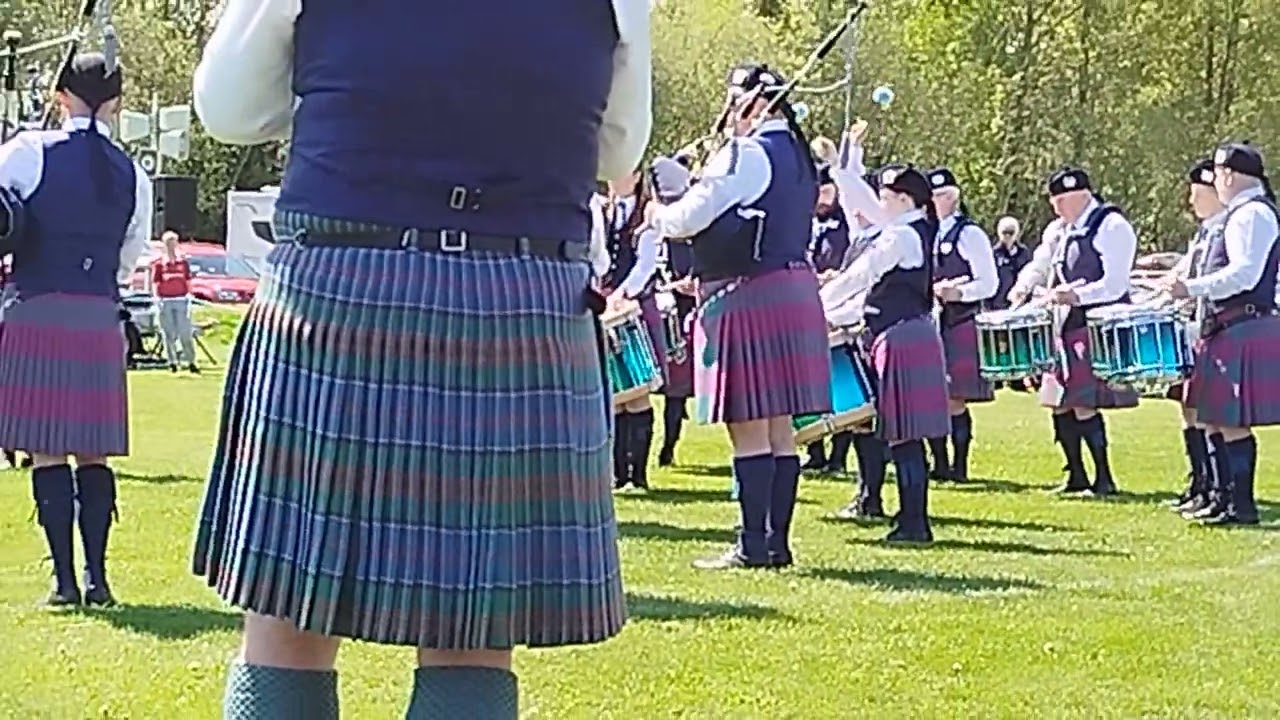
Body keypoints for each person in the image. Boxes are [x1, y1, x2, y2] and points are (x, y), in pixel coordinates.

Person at [191, 0, 650, 716]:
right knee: (472, 629)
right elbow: (618, 150)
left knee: (288, 615)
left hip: (341, 291)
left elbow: (228, 109)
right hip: (519, 302)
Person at [647, 63, 830, 569]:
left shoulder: (745, 152)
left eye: (733, 101)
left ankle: (752, 545)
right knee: (779, 429)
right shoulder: (797, 156)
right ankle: (776, 543)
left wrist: (661, 209)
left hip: (747, 290)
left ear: (751, 104)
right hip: (793, 287)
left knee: (748, 424)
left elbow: (692, 217)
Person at [0, 53, 152, 607]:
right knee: (94, 452)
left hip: (37, 305)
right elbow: (127, 258)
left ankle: (64, 581)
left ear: (61, 94)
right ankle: (99, 579)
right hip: (96, 314)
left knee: (45, 449)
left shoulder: (24, 152)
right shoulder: (134, 173)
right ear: (115, 101)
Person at [821, 120, 951, 543]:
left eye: (886, 196)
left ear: (902, 199)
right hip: (900, 333)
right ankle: (910, 518)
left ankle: (915, 522)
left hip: (902, 337)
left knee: (905, 433)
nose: (880, 202)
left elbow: (863, 273)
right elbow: (858, 198)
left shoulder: (902, 236)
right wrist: (846, 160)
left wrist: (819, 306)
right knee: (899, 432)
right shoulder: (908, 227)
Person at [1008, 167, 1138, 498]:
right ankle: (1076, 475)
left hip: (1097, 324)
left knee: (1084, 403)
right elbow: (1040, 262)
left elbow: (1116, 283)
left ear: (1082, 194)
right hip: (1065, 323)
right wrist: (1021, 289)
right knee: (1059, 402)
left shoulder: (1111, 225)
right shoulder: (1060, 229)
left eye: (1062, 199)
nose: (1057, 207)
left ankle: (1104, 478)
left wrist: (1076, 295)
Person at [1169, 143, 1280, 527]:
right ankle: (1220, 498)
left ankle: (1242, 506)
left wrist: (1192, 287)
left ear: (1229, 174)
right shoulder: (1238, 214)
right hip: (1225, 325)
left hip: (1243, 323)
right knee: (1214, 418)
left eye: (1217, 174)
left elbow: (1245, 274)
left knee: (1231, 421)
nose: (1216, 182)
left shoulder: (1251, 215)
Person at [821, 170, 890, 519]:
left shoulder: (883, 241)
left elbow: (867, 293)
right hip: (856, 333)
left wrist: (832, 314)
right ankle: (866, 494)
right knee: (860, 422)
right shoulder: (861, 238)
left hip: (871, 333)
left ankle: (872, 497)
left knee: (870, 422)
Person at [925, 168, 997, 483]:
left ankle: (960, 466)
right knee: (930, 395)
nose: (937, 202)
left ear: (955, 197)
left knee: (953, 397)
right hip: (930, 321)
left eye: (942, 196)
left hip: (960, 320)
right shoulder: (923, 232)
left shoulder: (969, 234)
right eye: (932, 196)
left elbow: (990, 282)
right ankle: (939, 463)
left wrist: (960, 292)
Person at [1163, 158, 1225, 518]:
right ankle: (1200, 483)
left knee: (1208, 412)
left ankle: (1217, 489)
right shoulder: (1203, 234)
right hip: (1195, 327)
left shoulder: (1226, 230)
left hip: (1214, 327)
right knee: (1189, 408)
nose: (1191, 201)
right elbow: (1184, 273)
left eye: (1197, 193)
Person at [599, 172, 663, 490]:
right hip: (605, 305)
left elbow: (645, 265)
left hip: (635, 304)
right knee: (613, 394)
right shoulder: (602, 211)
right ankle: (616, 473)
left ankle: (637, 476)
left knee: (637, 392)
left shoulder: (648, 214)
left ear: (636, 176)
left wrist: (621, 295)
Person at [649, 156, 696, 467]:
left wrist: (684, 284)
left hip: (687, 313)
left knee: (677, 389)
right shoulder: (654, 226)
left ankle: (669, 446)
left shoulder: (691, 228)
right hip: (662, 309)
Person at [151, 230, 199, 373]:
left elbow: (188, 280)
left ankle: (191, 361)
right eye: (168, 243)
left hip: (181, 300)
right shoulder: (159, 264)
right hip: (165, 301)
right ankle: (172, 362)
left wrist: (191, 294)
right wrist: (156, 299)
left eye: (173, 243)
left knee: (185, 332)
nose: (171, 246)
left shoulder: (183, 263)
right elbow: (155, 283)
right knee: (168, 332)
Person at [989, 216, 1030, 311]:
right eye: (1004, 232)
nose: (1007, 236)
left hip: (1019, 303)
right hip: (997, 304)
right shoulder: (994, 254)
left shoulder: (1023, 253)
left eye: (1011, 232)